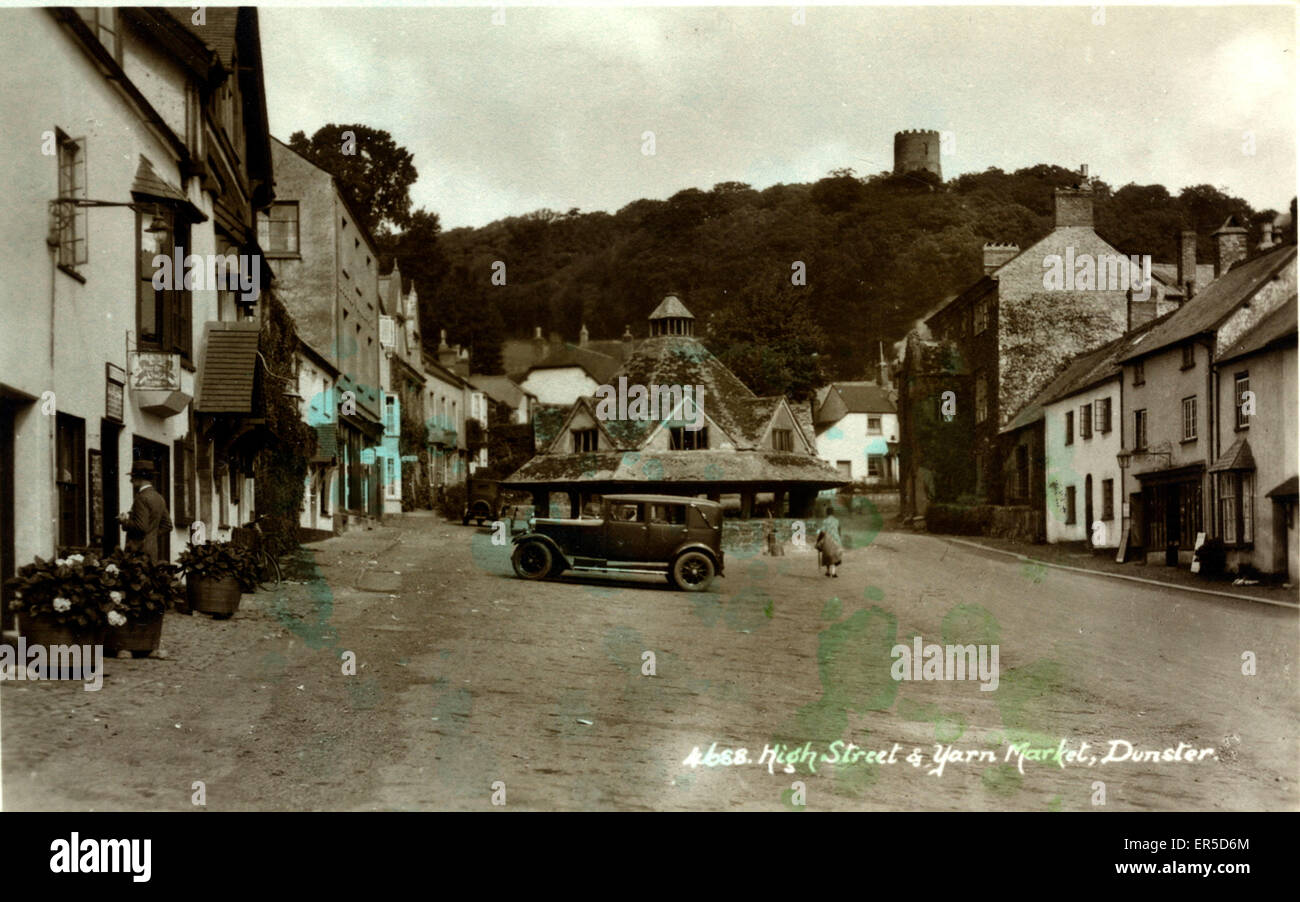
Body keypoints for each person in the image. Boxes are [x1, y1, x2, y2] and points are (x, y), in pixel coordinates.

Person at [118, 461, 173, 562]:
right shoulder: (159, 497)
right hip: (152, 552)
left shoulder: (141, 498)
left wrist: (124, 521)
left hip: (138, 553)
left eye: (133, 477)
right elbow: (167, 525)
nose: (131, 480)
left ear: (140, 478)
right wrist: (150, 536)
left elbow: (141, 527)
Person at [815, 504, 843, 578]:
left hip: (827, 540)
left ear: (827, 513)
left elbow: (822, 532)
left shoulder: (825, 521)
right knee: (835, 556)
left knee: (827, 555)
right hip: (836, 540)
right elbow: (839, 531)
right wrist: (839, 539)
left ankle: (827, 571)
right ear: (833, 513)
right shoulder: (837, 521)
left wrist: (818, 541)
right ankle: (833, 572)